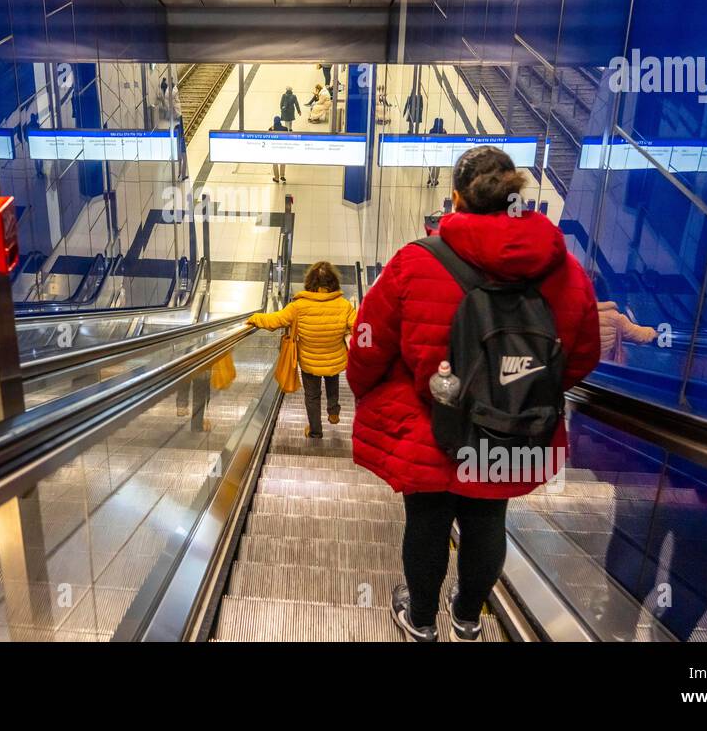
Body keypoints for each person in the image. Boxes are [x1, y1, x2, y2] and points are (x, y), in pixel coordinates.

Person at [347, 145, 600, 642]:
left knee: (426, 521)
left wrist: (363, 388)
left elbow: (369, 342)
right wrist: (518, 394)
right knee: (488, 518)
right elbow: (583, 353)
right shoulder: (565, 270)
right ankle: (467, 617)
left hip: (431, 424)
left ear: (456, 199)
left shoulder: (414, 262)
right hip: (511, 431)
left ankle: (421, 621)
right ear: (517, 196)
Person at [248, 261, 356, 438]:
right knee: (332, 383)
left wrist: (254, 318)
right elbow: (359, 326)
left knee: (312, 396)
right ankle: (333, 411)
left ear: (310, 282)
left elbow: (275, 320)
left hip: (309, 362)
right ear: (333, 282)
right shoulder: (344, 305)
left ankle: (315, 431)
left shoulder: (298, 306)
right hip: (334, 359)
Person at [593, 274, 657, 363]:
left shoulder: (574, 316)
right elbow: (639, 335)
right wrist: (655, 332)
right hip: (602, 370)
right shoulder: (616, 319)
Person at [269, 114, 288, 183]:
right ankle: (282, 175)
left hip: (274, 149)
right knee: (283, 162)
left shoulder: (271, 129)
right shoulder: (285, 129)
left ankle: (276, 178)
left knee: (275, 163)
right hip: (282, 148)